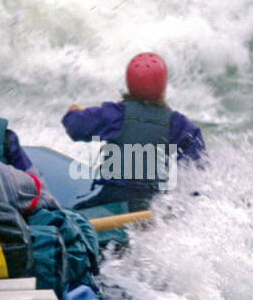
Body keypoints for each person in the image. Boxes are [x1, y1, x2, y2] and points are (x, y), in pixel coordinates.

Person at [61, 52, 205, 211]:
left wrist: (72, 113)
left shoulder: (114, 114)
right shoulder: (177, 123)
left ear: (129, 84)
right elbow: (196, 164)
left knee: (73, 216)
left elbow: (76, 128)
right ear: (163, 87)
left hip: (112, 199)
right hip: (149, 205)